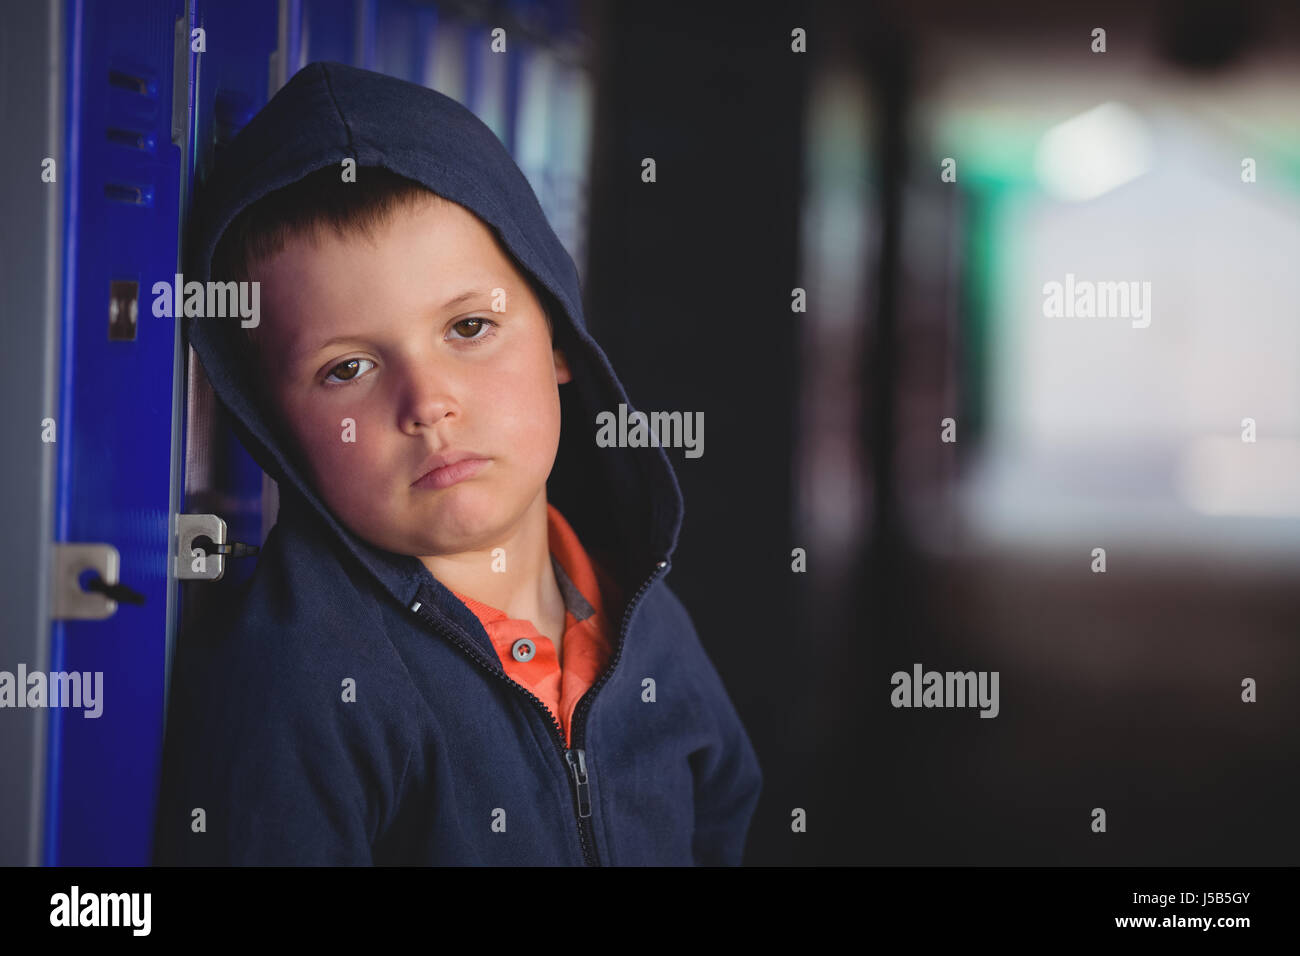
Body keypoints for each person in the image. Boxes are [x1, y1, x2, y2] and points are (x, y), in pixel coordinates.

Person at [153, 61, 762, 865]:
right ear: (275, 429)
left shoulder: (644, 617)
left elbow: (722, 821)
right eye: (348, 369)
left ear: (556, 337)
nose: (427, 403)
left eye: (469, 328)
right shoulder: (297, 684)